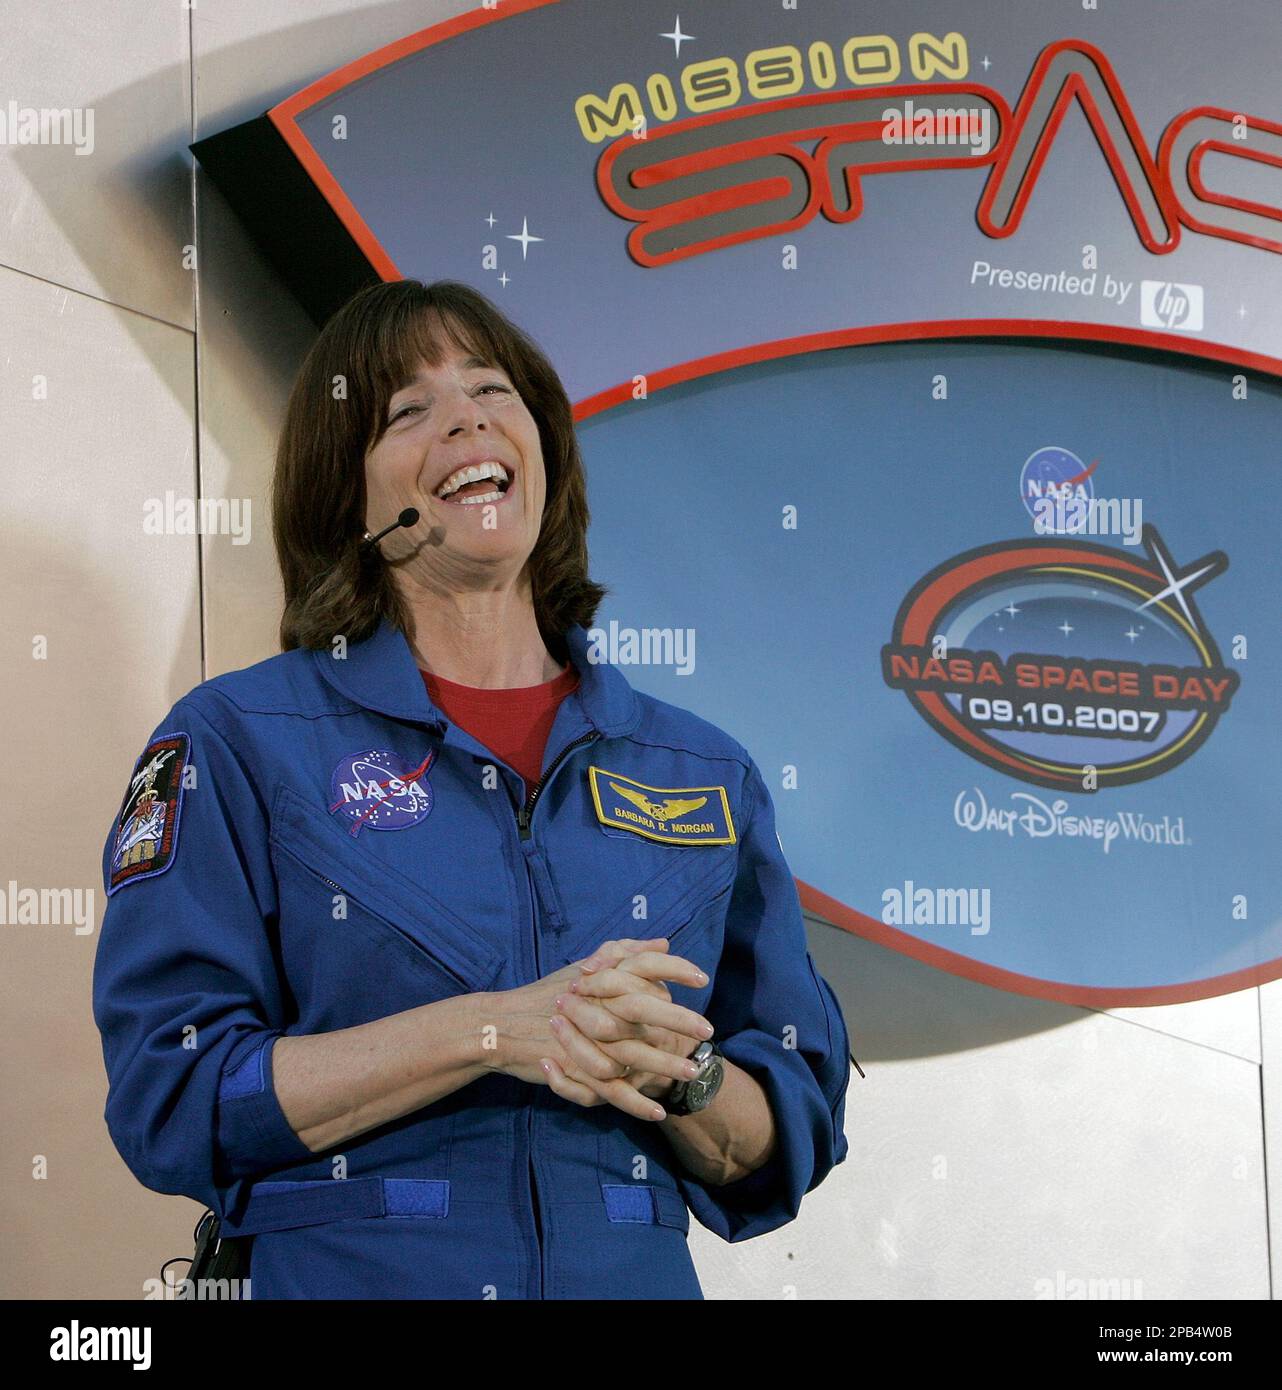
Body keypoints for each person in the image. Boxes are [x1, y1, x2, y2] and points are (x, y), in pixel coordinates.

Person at [92, 279, 851, 1299]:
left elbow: (783, 1136)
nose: (467, 418)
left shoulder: (702, 771)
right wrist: (492, 1029)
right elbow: (170, 1093)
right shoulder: (237, 740)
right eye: (408, 410)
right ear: (345, 495)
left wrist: (681, 1070)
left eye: (493, 390)